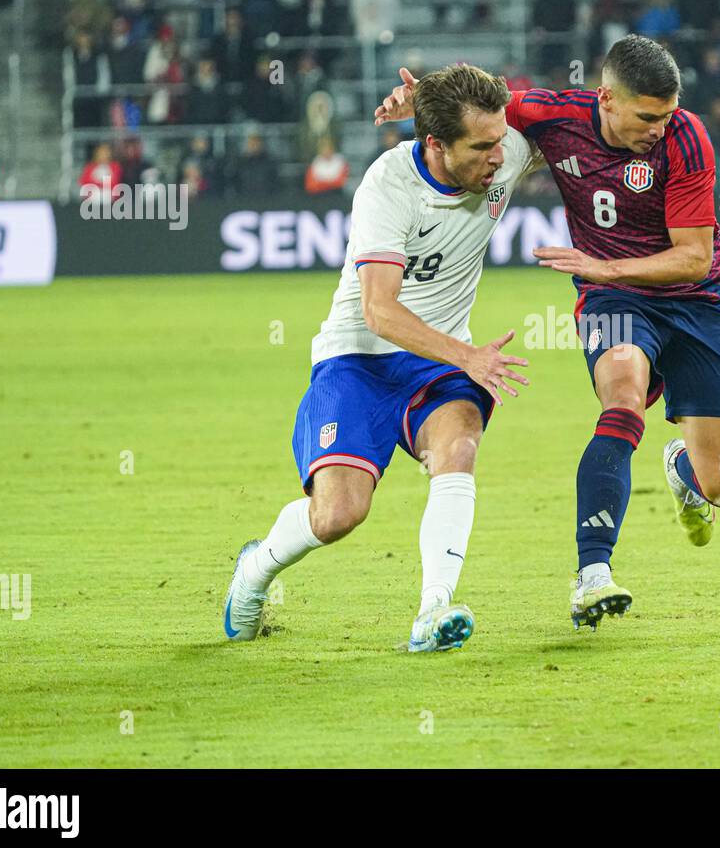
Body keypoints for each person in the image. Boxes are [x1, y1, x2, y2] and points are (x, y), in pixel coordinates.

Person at [375, 34, 720, 632]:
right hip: (612, 299)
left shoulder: (686, 138)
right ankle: (592, 575)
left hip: (695, 302)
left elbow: (693, 258)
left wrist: (606, 265)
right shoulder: (554, 116)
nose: (658, 127)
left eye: (667, 114)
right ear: (606, 99)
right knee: (622, 394)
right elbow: (477, 106)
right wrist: (420, 102)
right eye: (647, 116)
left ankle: (686, 476)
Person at [223, 65, 546, 651]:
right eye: (481, 147)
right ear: (436, 145)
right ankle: (257, 566)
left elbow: (566, 123)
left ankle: (433, 612)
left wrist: (428, 95)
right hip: (359, 359)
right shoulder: (387, 185)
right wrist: (468, 356)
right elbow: (380, 311)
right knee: (338, 515)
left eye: (501, 140)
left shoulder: (506, 149)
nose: (499, 158)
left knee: (459, 449)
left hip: (439, 365)